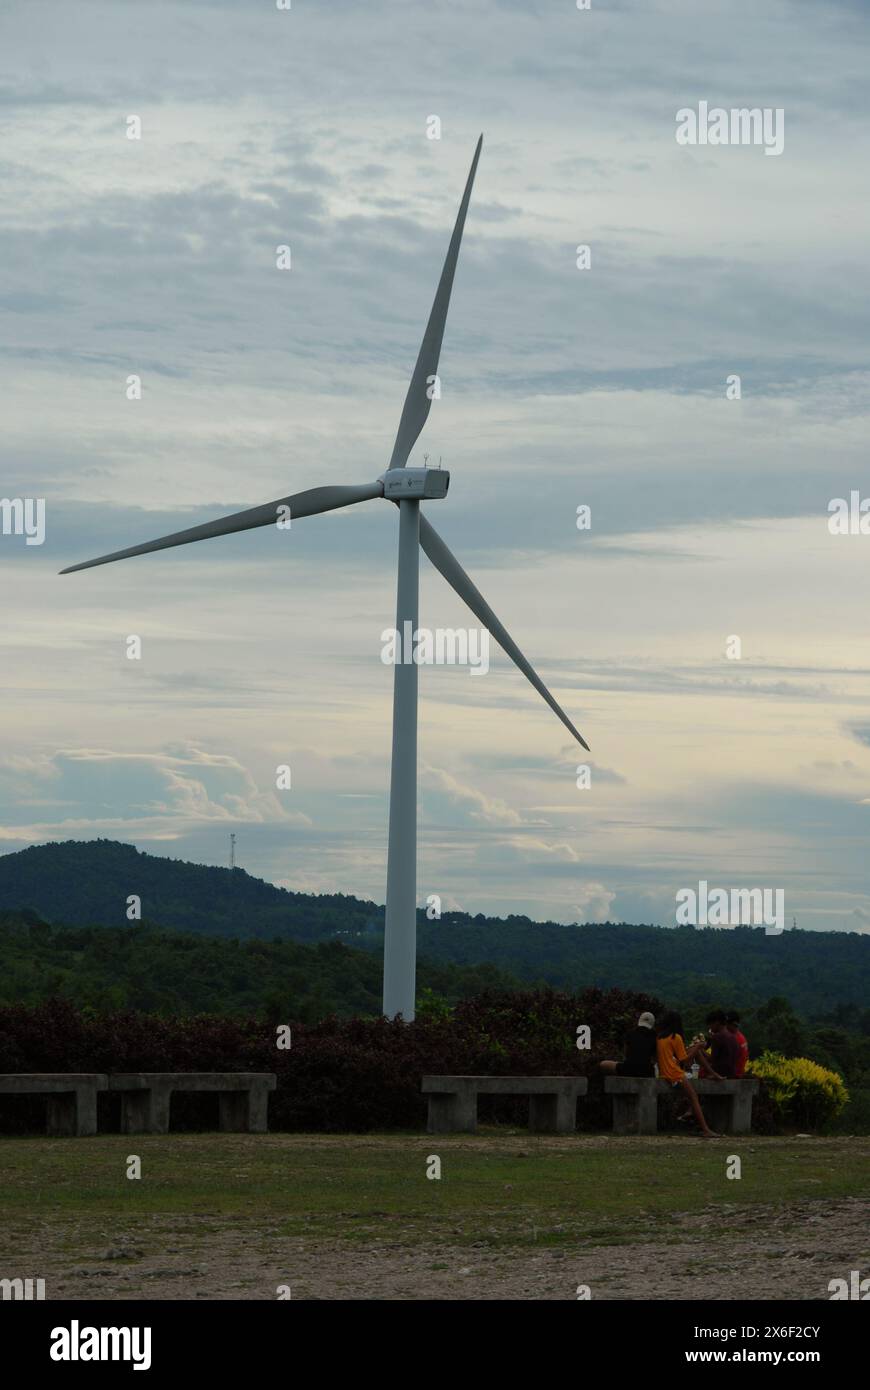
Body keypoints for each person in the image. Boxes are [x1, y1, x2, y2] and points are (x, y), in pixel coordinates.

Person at [656, 1011, 720, 1139]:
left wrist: (695, 1049)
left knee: (696, 1051)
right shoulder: (676, 1037)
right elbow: (684, 1062)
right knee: (694, 1097)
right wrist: (697, 1047)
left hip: (664, 1071)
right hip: (675, 1074)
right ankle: (706, 1129)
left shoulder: (660, 1037)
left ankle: (714, 1074)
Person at [599, 1011, 658, 1077]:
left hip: (628, 1069)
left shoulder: (630, 1034)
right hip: (647, 1072)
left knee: (603, 1064)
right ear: (652, 1025)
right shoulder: (655, 1037)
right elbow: (655, 1058)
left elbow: (626, 1053)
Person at [698, 1009, 739, 1079]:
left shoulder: (717, 1037)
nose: (710, 1027)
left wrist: (700, 1050)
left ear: (717, 1023)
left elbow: (712, 1059)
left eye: (710, 1024)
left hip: (720, 1073)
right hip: (731, 1073)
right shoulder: (732, 1036)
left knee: (696, 1054)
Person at [726, 1010, 749, 1077]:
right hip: (740, 1072)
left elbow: (727, 1062)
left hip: (733, 1075)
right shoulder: (741, 1036)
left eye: (726, 1024)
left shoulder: (733, 1039)